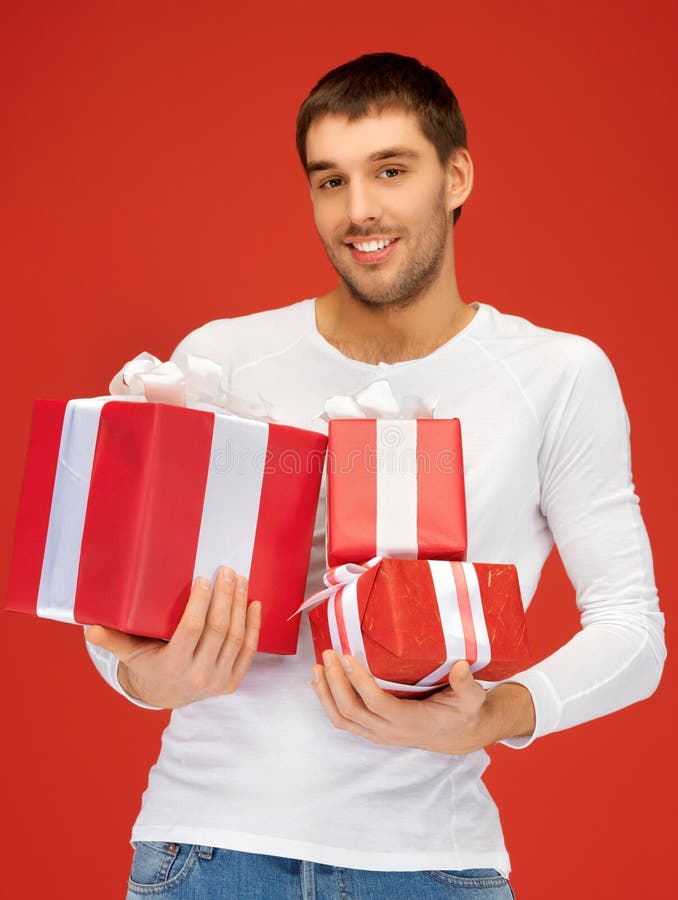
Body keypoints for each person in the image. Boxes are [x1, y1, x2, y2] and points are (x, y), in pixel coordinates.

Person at [84, 52, 665, 899]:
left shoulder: (555, 375)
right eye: (330, 181)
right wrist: (146, 680)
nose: (359, 210)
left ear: (456, 176)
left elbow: (634, 631)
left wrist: (495, 716)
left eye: (391, 170)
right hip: (202, 855)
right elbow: (119, 619)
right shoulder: (220, 359)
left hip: (430, 864)